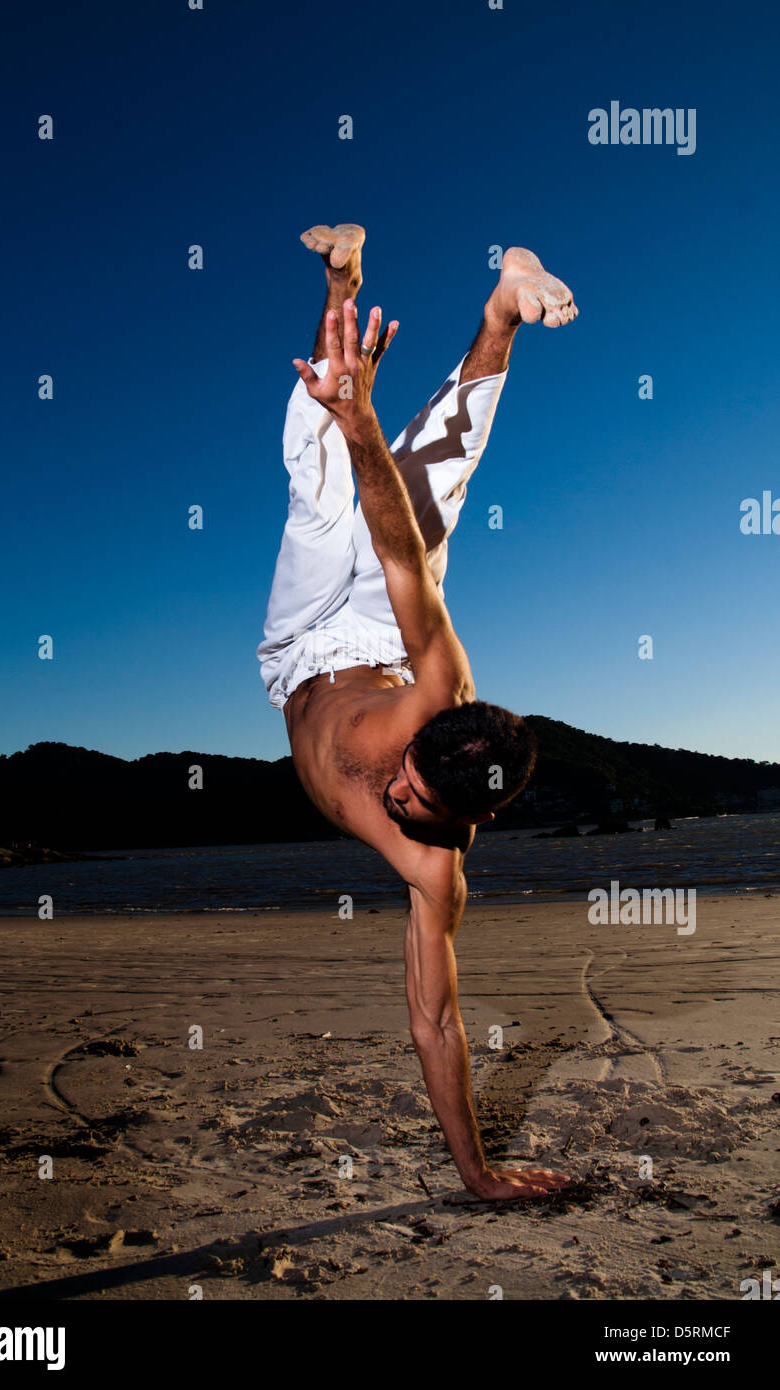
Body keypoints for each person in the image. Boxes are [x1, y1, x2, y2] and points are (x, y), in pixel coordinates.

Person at [258, 223, 577, 1199]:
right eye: (407, 772)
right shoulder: (434, 687)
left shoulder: (435, 872)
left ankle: (340, 294)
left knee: (313, 502)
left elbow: (434, 1021)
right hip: (370, 640)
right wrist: (361, 424)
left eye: (412, 798)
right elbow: (397, 553)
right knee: (425, 482)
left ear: (466, 821)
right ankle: (486, 305)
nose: (390, 790)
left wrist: (476, 1174)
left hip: (295, 648)